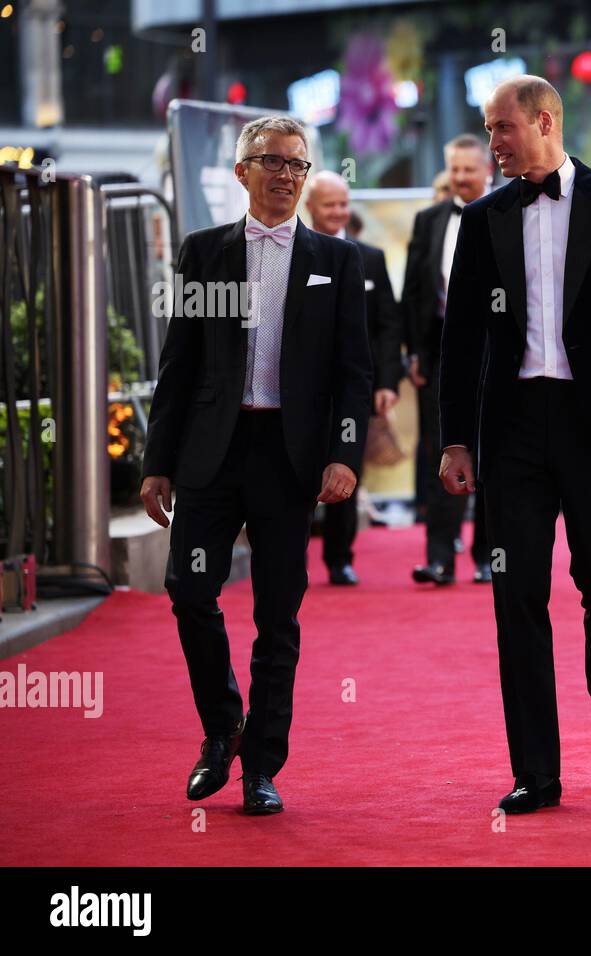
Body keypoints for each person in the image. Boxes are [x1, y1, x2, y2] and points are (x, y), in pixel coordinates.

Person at [438, 76, 591, 814]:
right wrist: (455, 440)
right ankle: (535, 771)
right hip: (513, 427)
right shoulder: (481, 220)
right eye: (486, 131)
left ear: (544, 121)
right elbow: (462, 340)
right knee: (517, 594)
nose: (492, 143)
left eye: (501, 129)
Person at [139, 115, 372, 814]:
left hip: (289, 458)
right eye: (271, 161)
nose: (285, 174)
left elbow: (354, 374)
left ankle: (262, 767)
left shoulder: (338, 260)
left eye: (297, 164)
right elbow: (178, 365)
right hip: (211, 453)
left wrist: (344, 452)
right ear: (241, 173)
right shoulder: (202, 252)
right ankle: (222, 728)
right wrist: (157, 462)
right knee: (189, 593)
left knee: (278, 616)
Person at [403, 135, 494, 585]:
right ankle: (439, 558)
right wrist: (415, 353)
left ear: (488, 170)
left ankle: (489, 558)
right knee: (442, 450)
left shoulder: (510, 212)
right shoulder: (429, 220)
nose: (460, 178)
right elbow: (415, 291)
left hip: (500, 353)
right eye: (454, 170)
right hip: (441, 351)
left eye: (468, 170)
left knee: (493, 454)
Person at [304, 171, 403, 586]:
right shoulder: (294, 254)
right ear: (310, 207)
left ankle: (340, 558)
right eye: (329, 205)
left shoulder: (371, 258)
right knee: (298, 471)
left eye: (343, 204)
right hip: (302, 387)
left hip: (351, 388)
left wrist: (387, 383)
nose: (338, 212)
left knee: (344, 468)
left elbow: (387, 327)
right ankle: (290, 557)